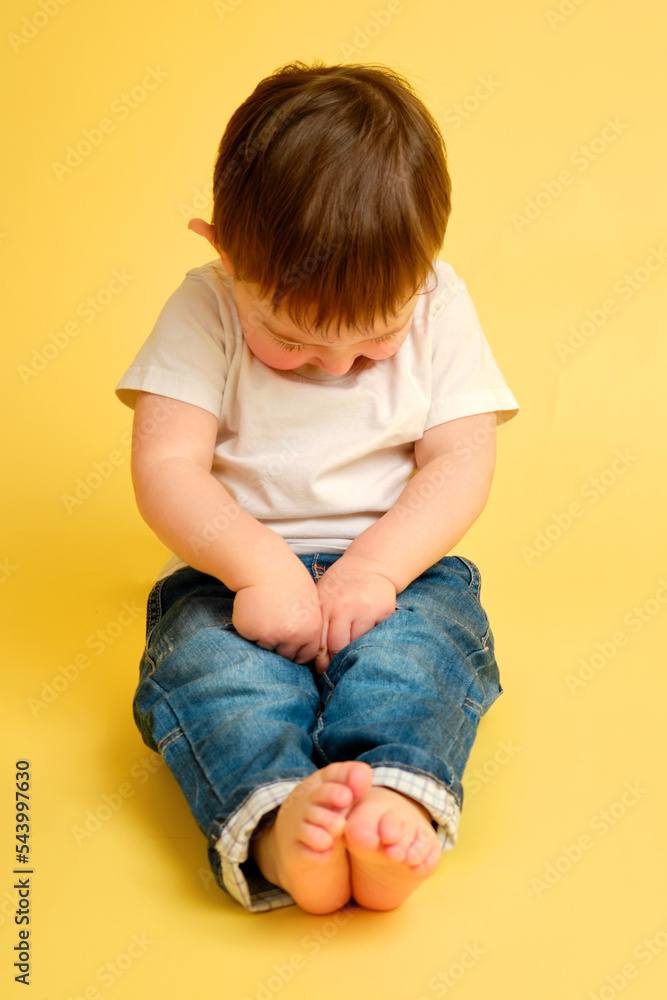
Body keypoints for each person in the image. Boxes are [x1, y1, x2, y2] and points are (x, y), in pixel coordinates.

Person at [114, 60, 520, 915]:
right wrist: (257, 567)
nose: (336, 364)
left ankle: (393, 801)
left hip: (402, 572)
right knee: (211, 674)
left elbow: (459, 459)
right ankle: (276, 821)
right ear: (224, 254)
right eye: (291, 339)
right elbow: (166, 465)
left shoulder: (442, 305)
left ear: (425, 264)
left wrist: (375, 570)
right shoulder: (203, 310)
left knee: (423, 660)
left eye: (376, 337)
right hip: (233, 579)